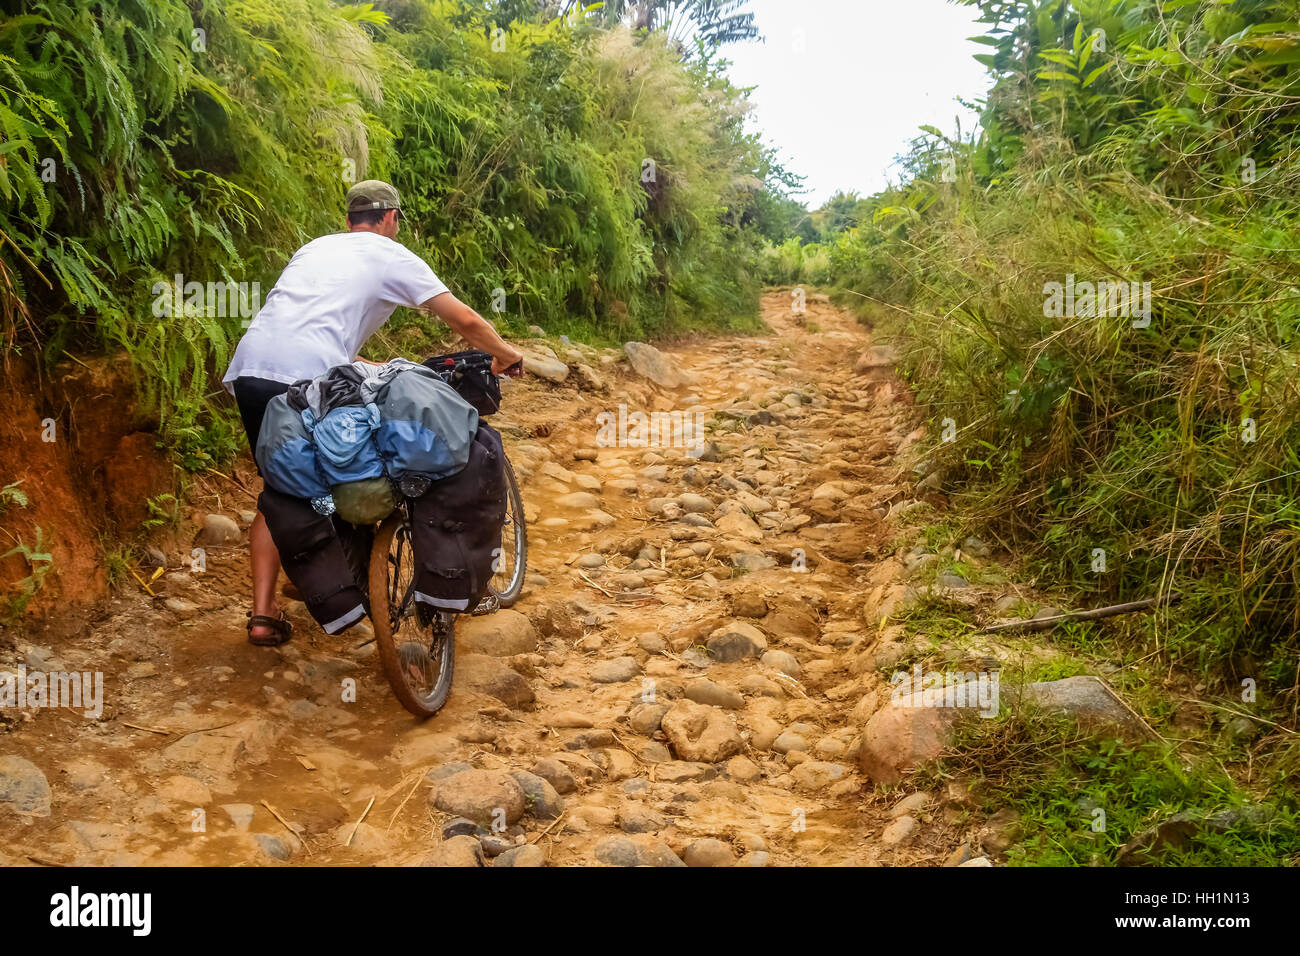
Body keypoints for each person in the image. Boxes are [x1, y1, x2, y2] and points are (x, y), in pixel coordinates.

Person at [222, 180, 524, 645]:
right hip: (309, 377)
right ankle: (379, 585)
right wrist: (504, 354)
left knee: (279, 490)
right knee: (376, 464)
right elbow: (462, 319)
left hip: (253, 370)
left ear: (349, 221)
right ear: (391, 218)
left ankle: (265, 614)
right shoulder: (390, 254)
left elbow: (313, 330)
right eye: (397, 220)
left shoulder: (314, 249)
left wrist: (370, 365)